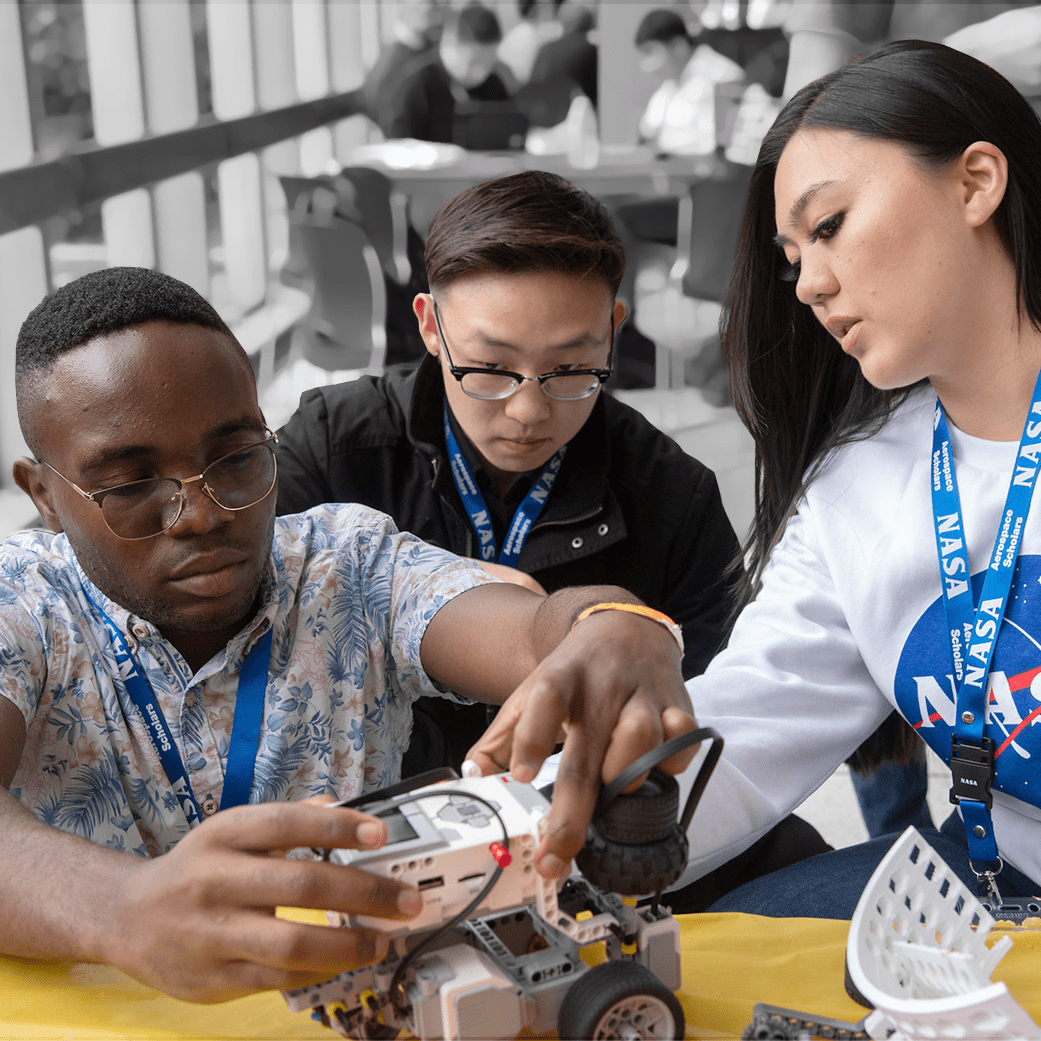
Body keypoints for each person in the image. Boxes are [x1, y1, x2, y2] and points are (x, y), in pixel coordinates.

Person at [0, 265, 697, 1000]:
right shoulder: (22, 599)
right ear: (44, 494)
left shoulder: (350, 566)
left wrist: (605, 621)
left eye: (236, 459)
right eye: (132, 485)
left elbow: (531, 632)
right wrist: (119, 909)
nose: (202, 514)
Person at [275, 170, 832, 906]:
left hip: (584, 842)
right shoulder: (331, 452)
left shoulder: (670, 492)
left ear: (613, 328)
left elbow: (709, 714)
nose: (528, 409)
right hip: (384, 841)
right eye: (491, 368)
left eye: (571, 368)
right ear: (430, 325)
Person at [667, 39, 1041, 917]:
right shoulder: (854, 485)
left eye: (827, 225)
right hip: (989, 882)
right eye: (790, 255)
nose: (804, 285)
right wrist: (524, 830)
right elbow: (750, 724)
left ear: (976, 181)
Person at [378, 3, 512, 144]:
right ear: (449, 45)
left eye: (489, 63)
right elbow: (398, 147)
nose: (481, 72)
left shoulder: (493, 85)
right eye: (474, 62)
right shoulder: (416, 86)